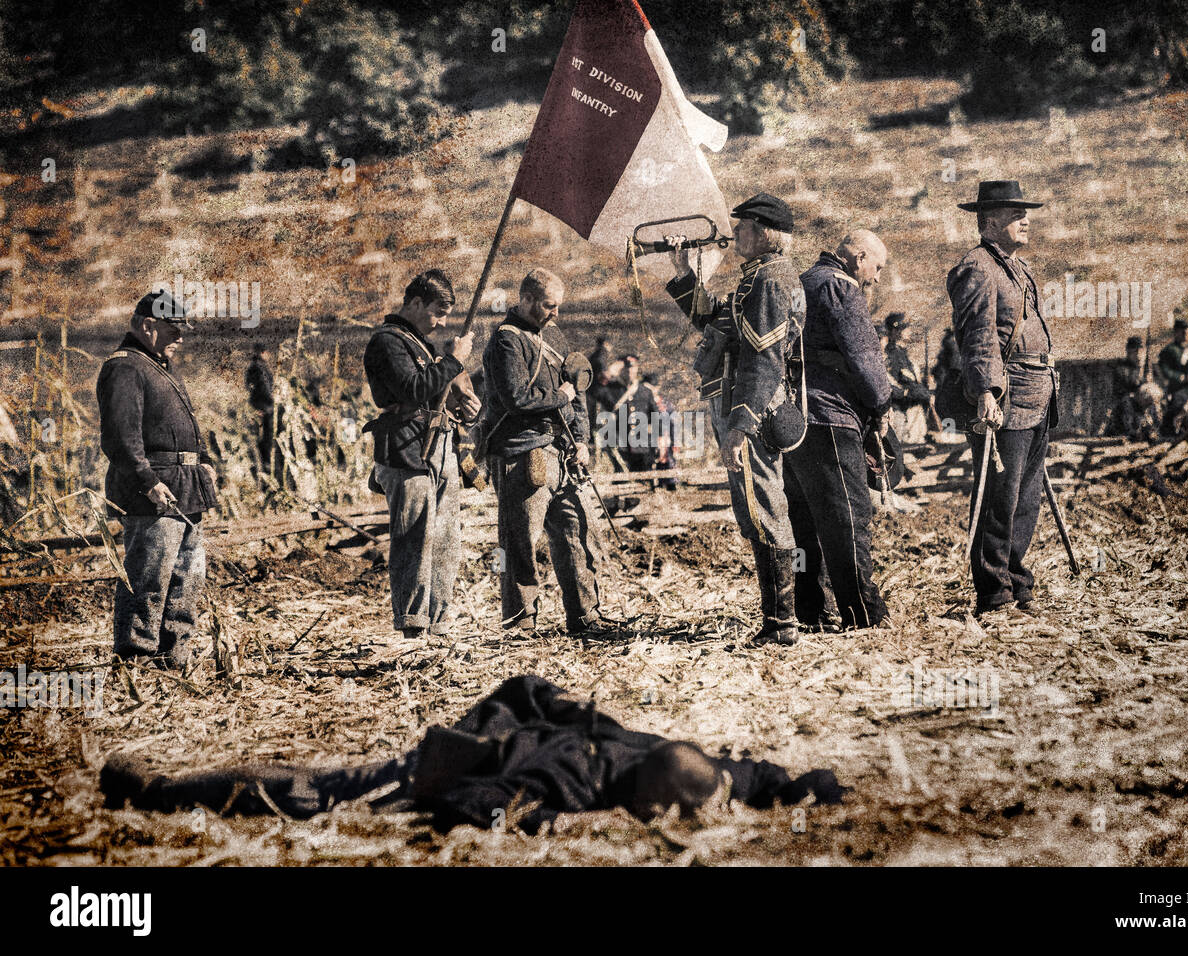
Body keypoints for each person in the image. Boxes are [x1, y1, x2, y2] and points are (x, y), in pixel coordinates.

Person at [99, 675, 845, 833]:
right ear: (654, 807)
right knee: (313, 791)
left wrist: (802, 784)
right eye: (696, 811)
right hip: (449, 761)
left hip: (506, 731)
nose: (713, 812)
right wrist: (535, 824)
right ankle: (156, 789)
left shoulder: (670, 758)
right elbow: (466, 804)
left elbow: (746, 776)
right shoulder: (568, 782)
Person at [665, 193, 807, 645]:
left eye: (741, 226)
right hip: (746, 409)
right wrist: (684, 272)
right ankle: (779, 618)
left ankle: (782, 623)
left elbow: (763, 361)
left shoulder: (768, 281)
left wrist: (740, 427)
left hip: (753, 413)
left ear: (764, 232)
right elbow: (715, 324)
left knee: (763, 509)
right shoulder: (760, 278)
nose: (734, 234)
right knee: (756, 509)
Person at [480, 268, 614, 637]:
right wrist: (562, 397)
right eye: (548, 306)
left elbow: (578, 386)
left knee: (575, 533)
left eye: (558, 306)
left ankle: (586, 617)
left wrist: (583, 441)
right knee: (520, 542)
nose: (555, 313)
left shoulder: (552, 335)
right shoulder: (506, 342)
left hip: (563, 452)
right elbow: (517, 397)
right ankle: (520, 625)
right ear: (526, 300)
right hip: (524, 455)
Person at [946, 181, 1058, 616]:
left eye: (1025, 212)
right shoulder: (977, 267)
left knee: (1026, 499)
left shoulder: (1019, 267)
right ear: (989, 222)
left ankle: (1015, 581)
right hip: (1005, 399)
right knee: (1000, 497)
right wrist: (986, 391)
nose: (1025, 219)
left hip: (1037, 395)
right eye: (1015, 214)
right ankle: (993, 593)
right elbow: (978, 337)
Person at [96, 290, 218, 668]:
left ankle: (174, 656)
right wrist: (147, 481)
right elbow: (120, 437)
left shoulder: (157, 365)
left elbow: (182, 428)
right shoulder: (126, 367)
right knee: (149, 576)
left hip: (184, 489)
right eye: (174, 329)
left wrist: (205, 462)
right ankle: (137, 658)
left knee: (186, 578)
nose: (181, 337)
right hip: (154, 492)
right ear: (148, 326)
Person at [784, 230, 893, 631]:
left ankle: (811, 612)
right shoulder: (840, 287)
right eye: (876, 268)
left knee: (806, 522)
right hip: (832, 418)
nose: (876, 278)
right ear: (858, 258)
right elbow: (866, 359)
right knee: (848, 517)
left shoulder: (802, 281)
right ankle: (862, 612)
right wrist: (882, 405)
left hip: (793, 422)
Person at [362, 269, 478, 642]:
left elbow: (433, 394)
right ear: (414, 303)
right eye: (437, 312)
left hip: (438, 447)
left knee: (446, 538)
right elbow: (412, 389)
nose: (442, 322)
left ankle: (440, 621)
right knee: (414, 536)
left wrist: (462, 403)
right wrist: (454, 361)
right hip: (406, 450)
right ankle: (413, 623)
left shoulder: (421, 345)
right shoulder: (387, 342)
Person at [882, 312, 933, 444]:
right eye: (905, 328)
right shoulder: (892, 356)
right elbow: (898, 386)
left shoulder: (902, 352)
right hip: (901, 411)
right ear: (895, 331)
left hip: (911, 411)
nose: (909, 331)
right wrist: (924, 394)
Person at [1155, 318, 1188, 435]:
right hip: (1178, 389)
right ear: (1176, 333)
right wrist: (1182, 377)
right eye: (1183, 332)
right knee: (1178, 409)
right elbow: (1165, 370)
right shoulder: (1169, 350)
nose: (1186, 335)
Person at [1107, 336, 1152, 440]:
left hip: (1143, 402)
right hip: (1126, 403)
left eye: (1141, 352)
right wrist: (1141, 382)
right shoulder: (1122, 368)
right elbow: (1126, 385)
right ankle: (1132, 432)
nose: (1139, 356)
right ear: (1129, 353)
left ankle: (1152, 429)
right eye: (1135, 352)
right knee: (1127, 403)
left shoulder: (1147, 369)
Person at [244, 344, 276, 479]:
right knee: (264, 437)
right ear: (263, 352)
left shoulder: (254, 367)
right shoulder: (258, 368)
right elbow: (262, 389)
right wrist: (265, 404)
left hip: (260, 406)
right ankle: (265, 464)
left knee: (263, 436)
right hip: (263, 407)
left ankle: (264, 463)